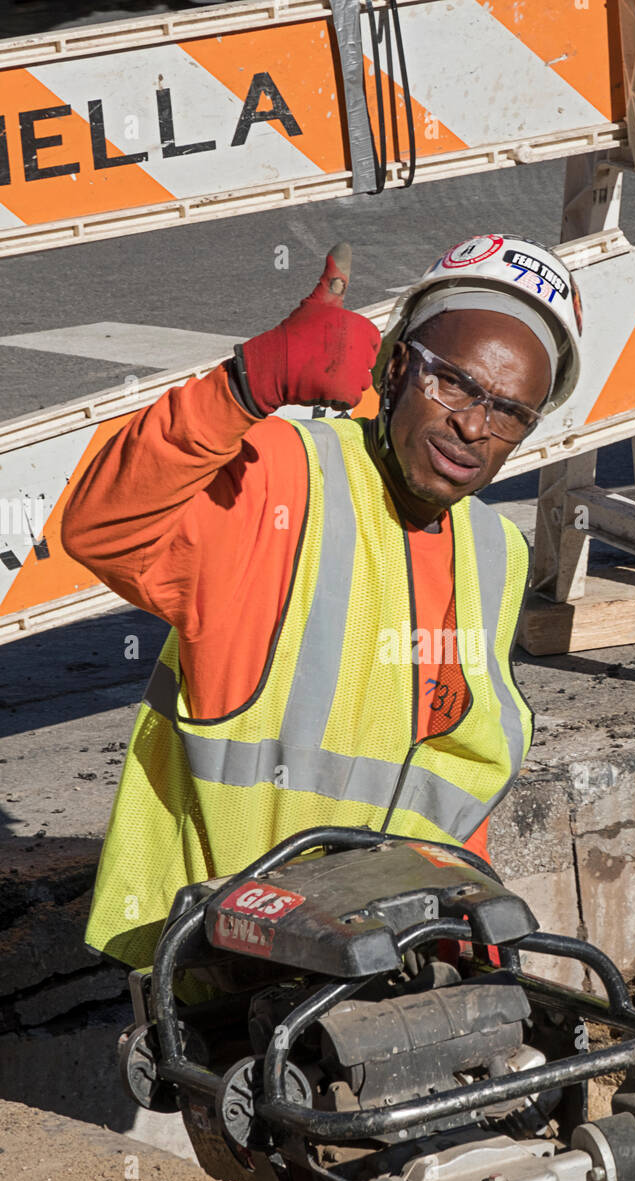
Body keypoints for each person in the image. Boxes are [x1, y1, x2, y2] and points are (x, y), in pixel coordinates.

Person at [62, 233, 582, 973]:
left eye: (509, 412)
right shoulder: (281, 479)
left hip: (396, 954)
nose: (475, 426)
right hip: (219, 961)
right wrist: (246, 385)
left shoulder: (494, 555)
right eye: (456, 385)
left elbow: (456, 773)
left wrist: (468, 917)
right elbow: (102, 527)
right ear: (398, 367)